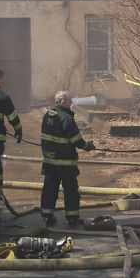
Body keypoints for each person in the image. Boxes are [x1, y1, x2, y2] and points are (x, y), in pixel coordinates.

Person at [39, 91, 96, 227]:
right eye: (70, 101)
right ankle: (72, 218)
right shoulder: (67, 118)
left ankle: (47, 216)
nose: (72, 103)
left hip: (49, 161)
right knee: (70, 190)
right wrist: (88, 146)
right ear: (63, 102)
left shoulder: (48, 115)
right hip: (65, 162)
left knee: (49, 189)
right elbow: (76, 140)